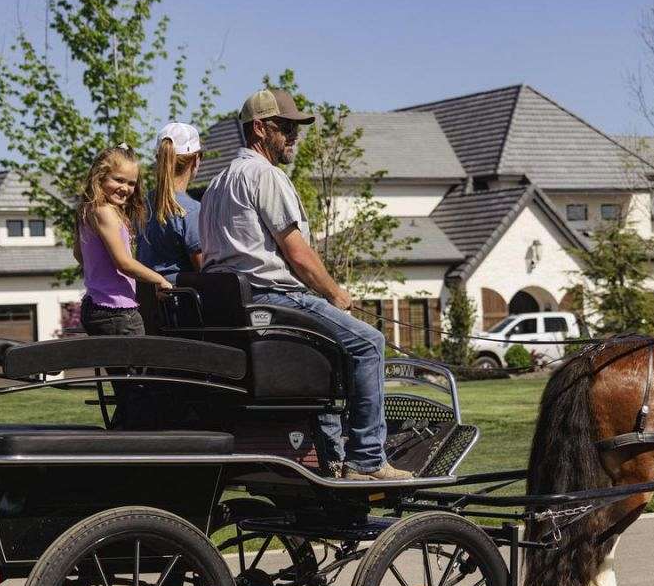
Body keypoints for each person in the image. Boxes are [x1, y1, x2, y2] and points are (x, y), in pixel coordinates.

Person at [198, 88, 412, 481]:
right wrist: (335, 294)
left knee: (337, 349)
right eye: (286, 127)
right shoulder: (265, 176)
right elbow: (297, 254)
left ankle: (331, 450)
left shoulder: (216, 185)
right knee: (368, 343)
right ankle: (366, 460)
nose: (294, 135)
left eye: (296, 127)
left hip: (239, 306)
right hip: (272, 298)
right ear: (259, 129)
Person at [74, 144, 172, 336]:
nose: (125, 188)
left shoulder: (87, 210)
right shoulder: (105, 212)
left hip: (94, 305)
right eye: (118, 180)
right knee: (139, 356)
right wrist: (159, 280)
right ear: (100, 177)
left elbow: (79, 255)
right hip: (116, 311)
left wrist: (101, 275)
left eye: (131, 183)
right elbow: (124, 263)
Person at [138, 122, 203, 283]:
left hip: (147, 297)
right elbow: (205, 271)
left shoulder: (142, 205)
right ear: (196, 159)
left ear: (158, 159)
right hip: (180, 296)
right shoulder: (191, 210)